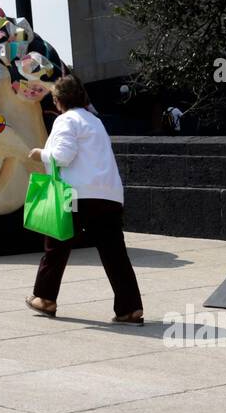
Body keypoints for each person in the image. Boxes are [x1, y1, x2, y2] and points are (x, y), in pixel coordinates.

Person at [25, 74, 144, 323]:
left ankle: (45, 298)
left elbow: (62, 156)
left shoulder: (66, 120)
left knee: (56, 245)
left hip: (76, 193)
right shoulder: (95, 121)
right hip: (108, 194)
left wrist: (39, 154)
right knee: (114, 253)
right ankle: (129, 308)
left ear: (58, 100)